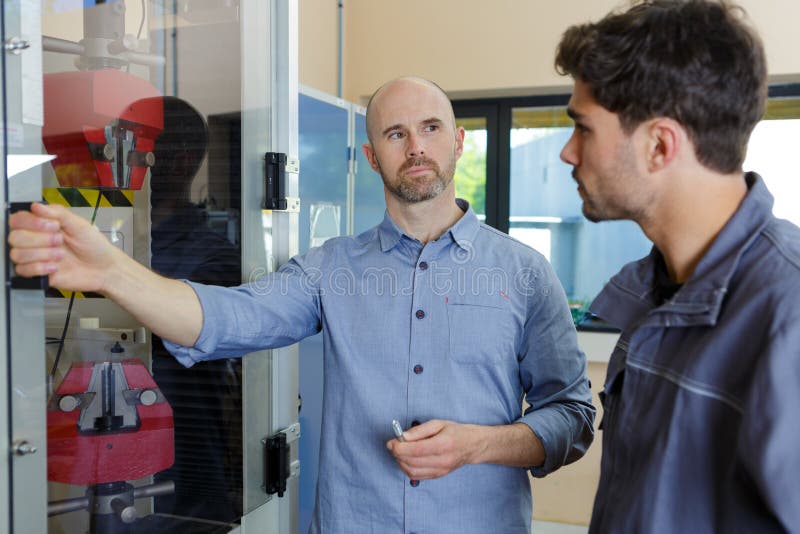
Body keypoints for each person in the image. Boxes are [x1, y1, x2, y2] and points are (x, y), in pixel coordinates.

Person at [9, 77, 594, 533]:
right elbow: (226, 318)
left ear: (459, 140)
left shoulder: (524, 273)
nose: (416, 147)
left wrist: (480, 444)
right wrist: (114, 274)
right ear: (371, 156)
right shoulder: (330, 267)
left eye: (432, 128)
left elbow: (573, 417)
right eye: (395, 134)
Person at [554, 1, 800, 532]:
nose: (567, 153)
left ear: (659, 145)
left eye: (584, 129)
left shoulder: (788, 314)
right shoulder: (654, 296)